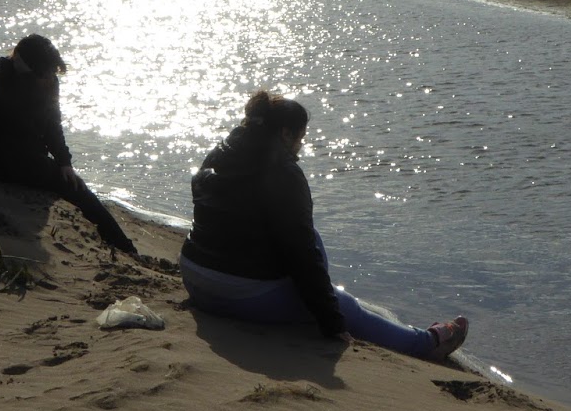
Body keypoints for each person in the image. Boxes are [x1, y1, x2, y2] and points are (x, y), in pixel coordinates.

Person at [180, 89, 468, 361]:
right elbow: (302, 255)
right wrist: (331, 321)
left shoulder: (221, 151)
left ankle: (330, 303)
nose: (301, 145)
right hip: (233, 294)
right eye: (300, 138)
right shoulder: (285, 174)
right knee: (345, 306)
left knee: (310, 241)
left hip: (194, 277)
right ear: (285, 133)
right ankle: (426, 343)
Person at [0, 34, 138, 255]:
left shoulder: (46, 81)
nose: (50, 77)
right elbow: (0, 129)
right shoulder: (0, 79)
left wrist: (64, 162)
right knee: (79, 192)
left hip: (30, 158)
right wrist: (28, 82)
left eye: (52, 72)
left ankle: (123, 246)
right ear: (25, 65)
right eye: (45, 72)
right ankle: (125, 248)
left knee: (76, 185)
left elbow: (52, 126)